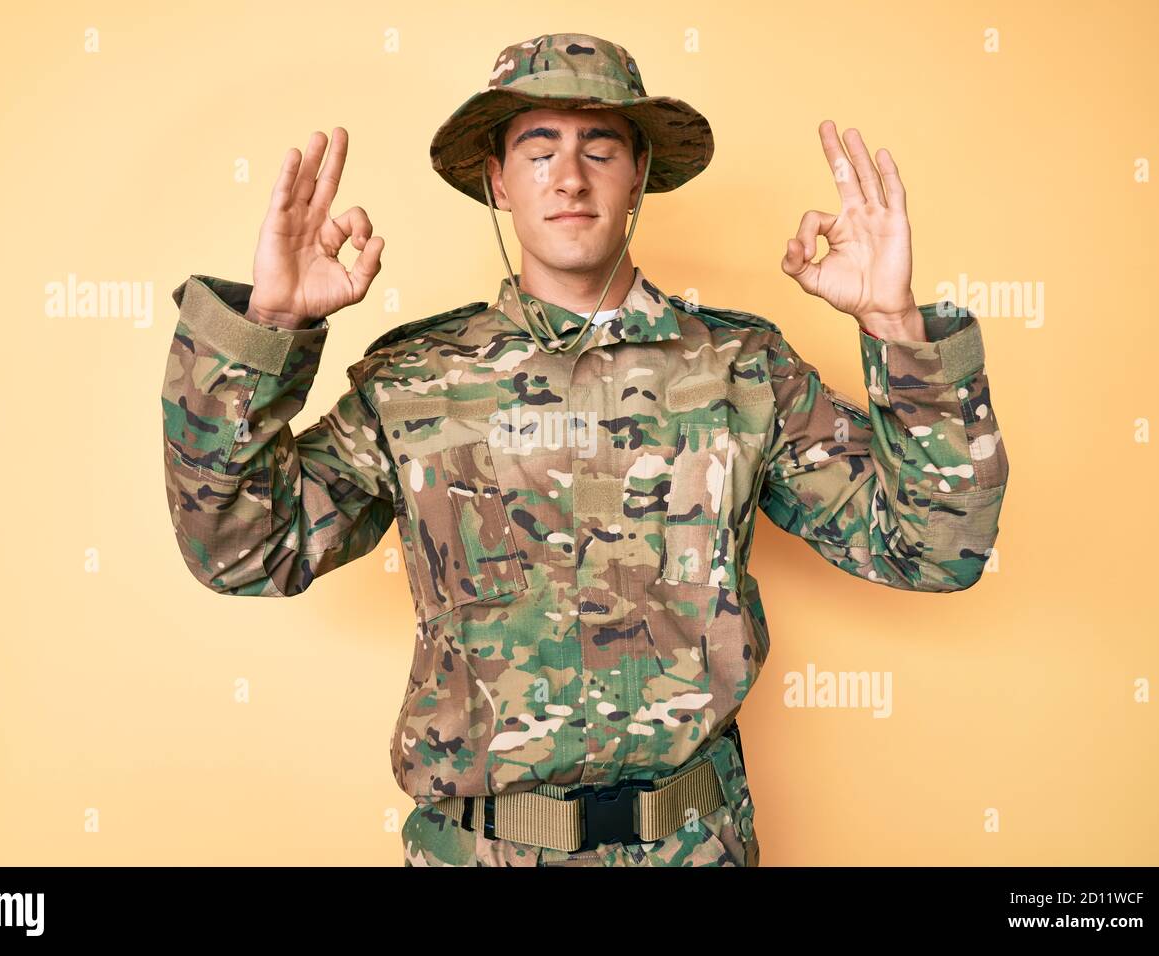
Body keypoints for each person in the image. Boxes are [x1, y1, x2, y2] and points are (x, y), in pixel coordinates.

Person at [159, 32, 1009, 867]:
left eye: (600, 148)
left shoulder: (742, 372)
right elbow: (242, 550)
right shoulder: (414, 383)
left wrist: (895, 327)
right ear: (496, 179)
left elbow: (932, 551)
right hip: (476, 854)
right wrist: (269, 330)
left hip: (693, 849)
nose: (569, 178)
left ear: (639, 172)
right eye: (538, 150)